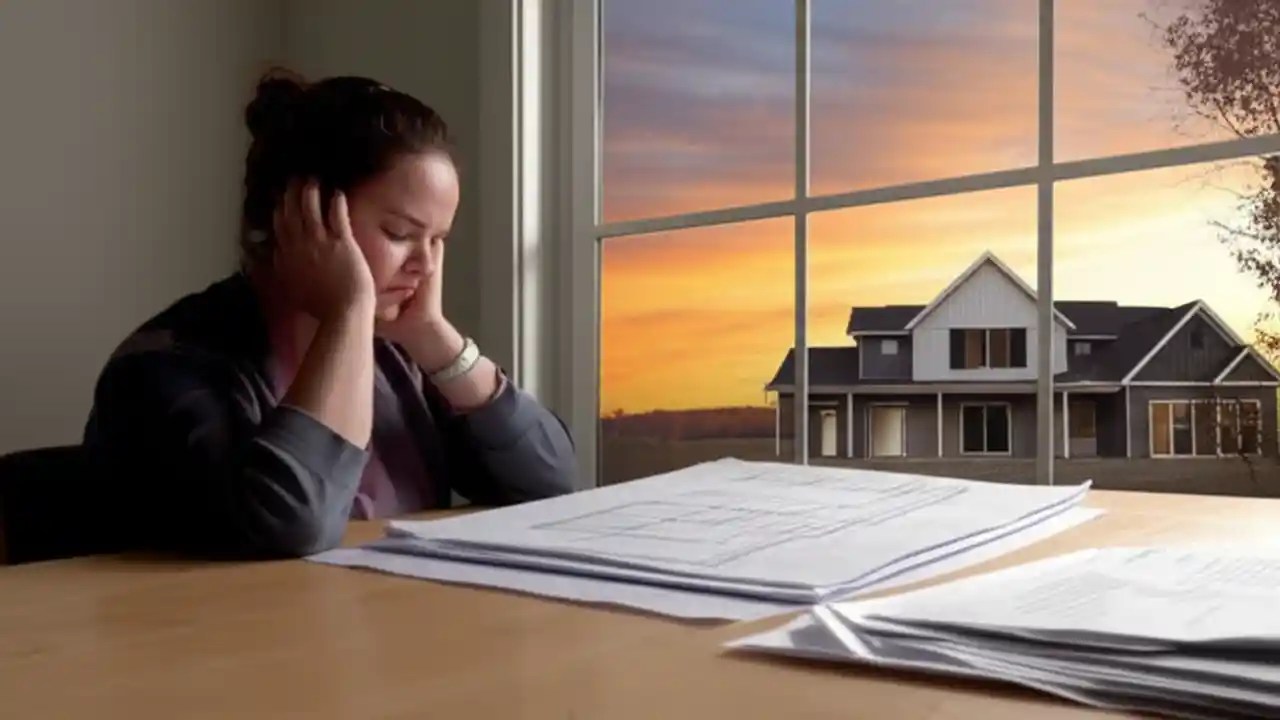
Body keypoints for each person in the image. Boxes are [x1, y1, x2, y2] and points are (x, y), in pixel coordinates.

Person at [83, 71, 576, 559]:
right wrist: (349, 313)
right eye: (401, 233)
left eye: (438, 240)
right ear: (306, 212)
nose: (425, 264)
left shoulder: (397, 360)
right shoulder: (163, 369)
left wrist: (433, 338)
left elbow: (550, 480)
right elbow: (290, 526)